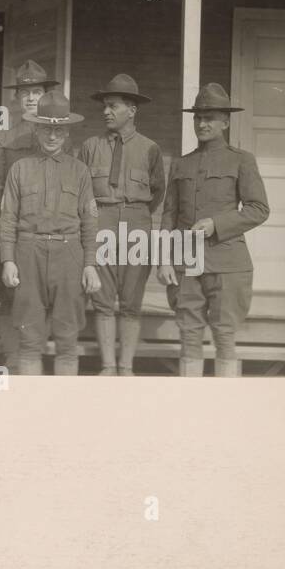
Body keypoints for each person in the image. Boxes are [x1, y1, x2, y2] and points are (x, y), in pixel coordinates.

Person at [157, 83, 269, 377]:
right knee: (189, 335)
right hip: (187, 265)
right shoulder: (181, 164)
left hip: (227, 263)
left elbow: (259, 209)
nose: (203, 123)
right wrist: (165, 260)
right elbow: (169, 214)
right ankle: (190, 407)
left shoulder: (241, 160)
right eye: (198, 118)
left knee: (224, 336)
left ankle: (224, 406)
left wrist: (217, 224)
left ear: (225, 122)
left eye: (210, 118)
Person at [0, 89, 100, 375]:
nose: (52, 136)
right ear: (35, 128)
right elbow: (7, 219)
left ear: (67, 132)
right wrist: (8, 259)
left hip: (69, 256)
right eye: (46, 129)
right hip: (28, 253)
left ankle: (63, 411)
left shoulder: (80, 171)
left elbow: (90, 222)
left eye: (59, 130)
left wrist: (90, 264)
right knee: (30, 341)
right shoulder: (19, 168)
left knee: (67, 341)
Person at [77, 74, 166, 375]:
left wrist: (133, 213)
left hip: (136, 226)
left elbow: (157, 192)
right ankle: (107, 366)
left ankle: (126, 367)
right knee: (102, 300)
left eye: (113, 106)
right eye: (104, 106)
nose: (106, 112)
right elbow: (82, 191)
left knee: (131, 301)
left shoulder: (150, 149)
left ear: (132, 109)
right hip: (100, 222)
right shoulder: (90, 146)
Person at [0, 60, 59, 372]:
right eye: (25, 92)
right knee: (10, 296)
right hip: (15, 230)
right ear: (17, 99)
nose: (31, 98)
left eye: (37, 91)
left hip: (48, 231)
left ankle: (34, 357)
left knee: (44, 294)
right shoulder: (6, 137)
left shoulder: (58, 135)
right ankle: (13, 357)